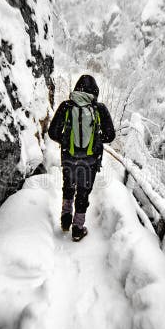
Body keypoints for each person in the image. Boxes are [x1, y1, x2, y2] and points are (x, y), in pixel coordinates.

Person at [48, 74, 116, 241]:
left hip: (68, 157)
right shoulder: (99, 108)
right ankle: (78, 229)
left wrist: (66, 141)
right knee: (83, 193)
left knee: (68, 187)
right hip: (90, 161)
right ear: (95, 91)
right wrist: (96, 140)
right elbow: (110, 135)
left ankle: (65, 219)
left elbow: (52, 132)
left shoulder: (66, 106)